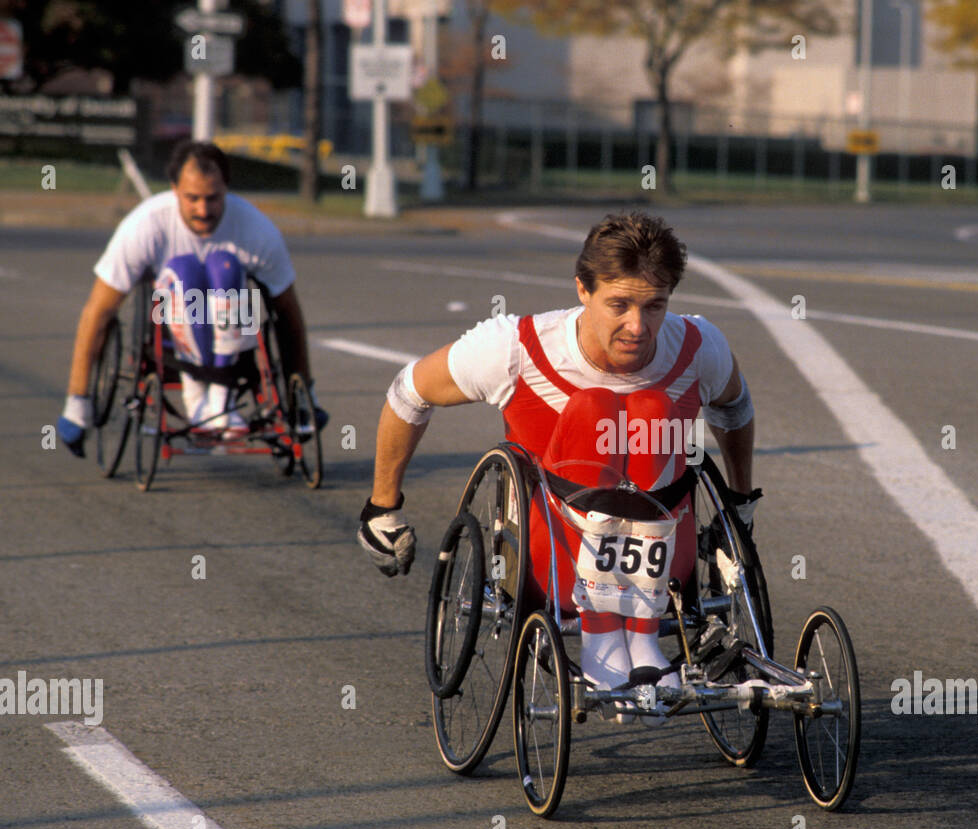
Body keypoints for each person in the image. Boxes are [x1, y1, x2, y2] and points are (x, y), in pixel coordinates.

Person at [357, 211, 760, 707]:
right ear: (582, 290)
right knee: (593, 406)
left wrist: (739, 504)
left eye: (655, 306)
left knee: (653, 407)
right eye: (619, 305)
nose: (638, 326)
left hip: (665, 569)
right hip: (551, 557)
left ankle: (640, 636)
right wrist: (382, 506)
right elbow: (409, 392)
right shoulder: (515, 347)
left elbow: (736, 409)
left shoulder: (697, 345)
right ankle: (600, 637)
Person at [56, 140, 325, 454]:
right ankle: (198, 399)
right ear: (174, 189)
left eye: (212, 198)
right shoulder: (144, 226)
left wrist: (305, 394)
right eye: (192, 198)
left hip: (237, 330)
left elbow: (288, 314)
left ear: (226, 188)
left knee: (224, 265)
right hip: (172, 328)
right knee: (184, 269)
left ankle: (220, 401)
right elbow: (98, 312)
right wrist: (77, 402)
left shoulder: (257, 230)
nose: (203, 210)